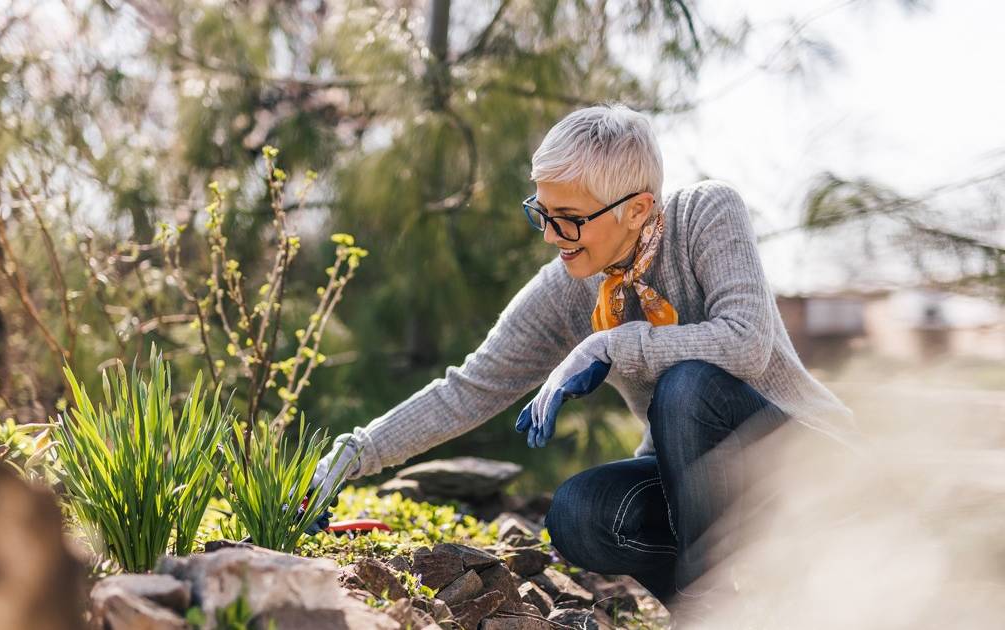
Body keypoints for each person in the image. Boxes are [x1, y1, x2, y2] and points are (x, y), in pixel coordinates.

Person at [307, 104, 860, 619]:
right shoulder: (568, 289)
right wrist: (356, 453)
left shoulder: (706, 214)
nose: (551, 236)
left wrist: (614, 344)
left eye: (568, 218)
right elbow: (470, 387)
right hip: (704, 494)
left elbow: (745, 342)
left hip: (810, 462)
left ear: (637, 208)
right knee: (578, 513)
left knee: (686, 386)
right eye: (542, 214)